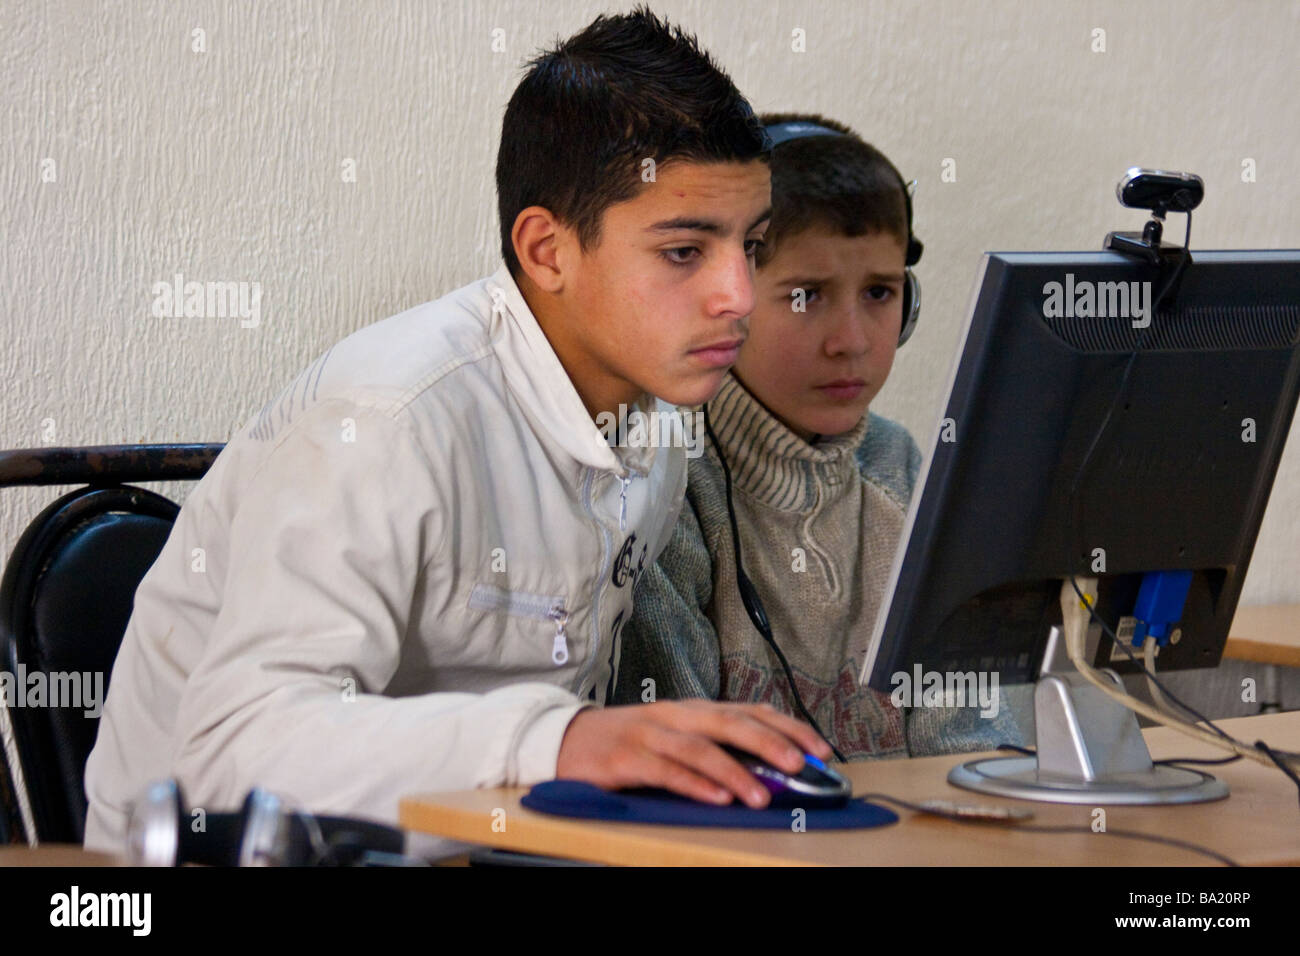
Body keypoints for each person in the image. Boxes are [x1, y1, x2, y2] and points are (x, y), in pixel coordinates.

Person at [83, 9, 833, 857]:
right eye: (685, 251)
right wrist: (554, 742)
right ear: (547, 252)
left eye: (754, 246)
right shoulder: (389, 420)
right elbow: (229, 752)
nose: (739, 294)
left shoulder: (656, 427)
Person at [613, 112, 1029, 759]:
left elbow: (973, 743)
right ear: (726, 297)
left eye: (880, 293)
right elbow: (682, 756)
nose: (853, 342)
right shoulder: (666, 480)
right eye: (808, 295)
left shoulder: (898, 465)